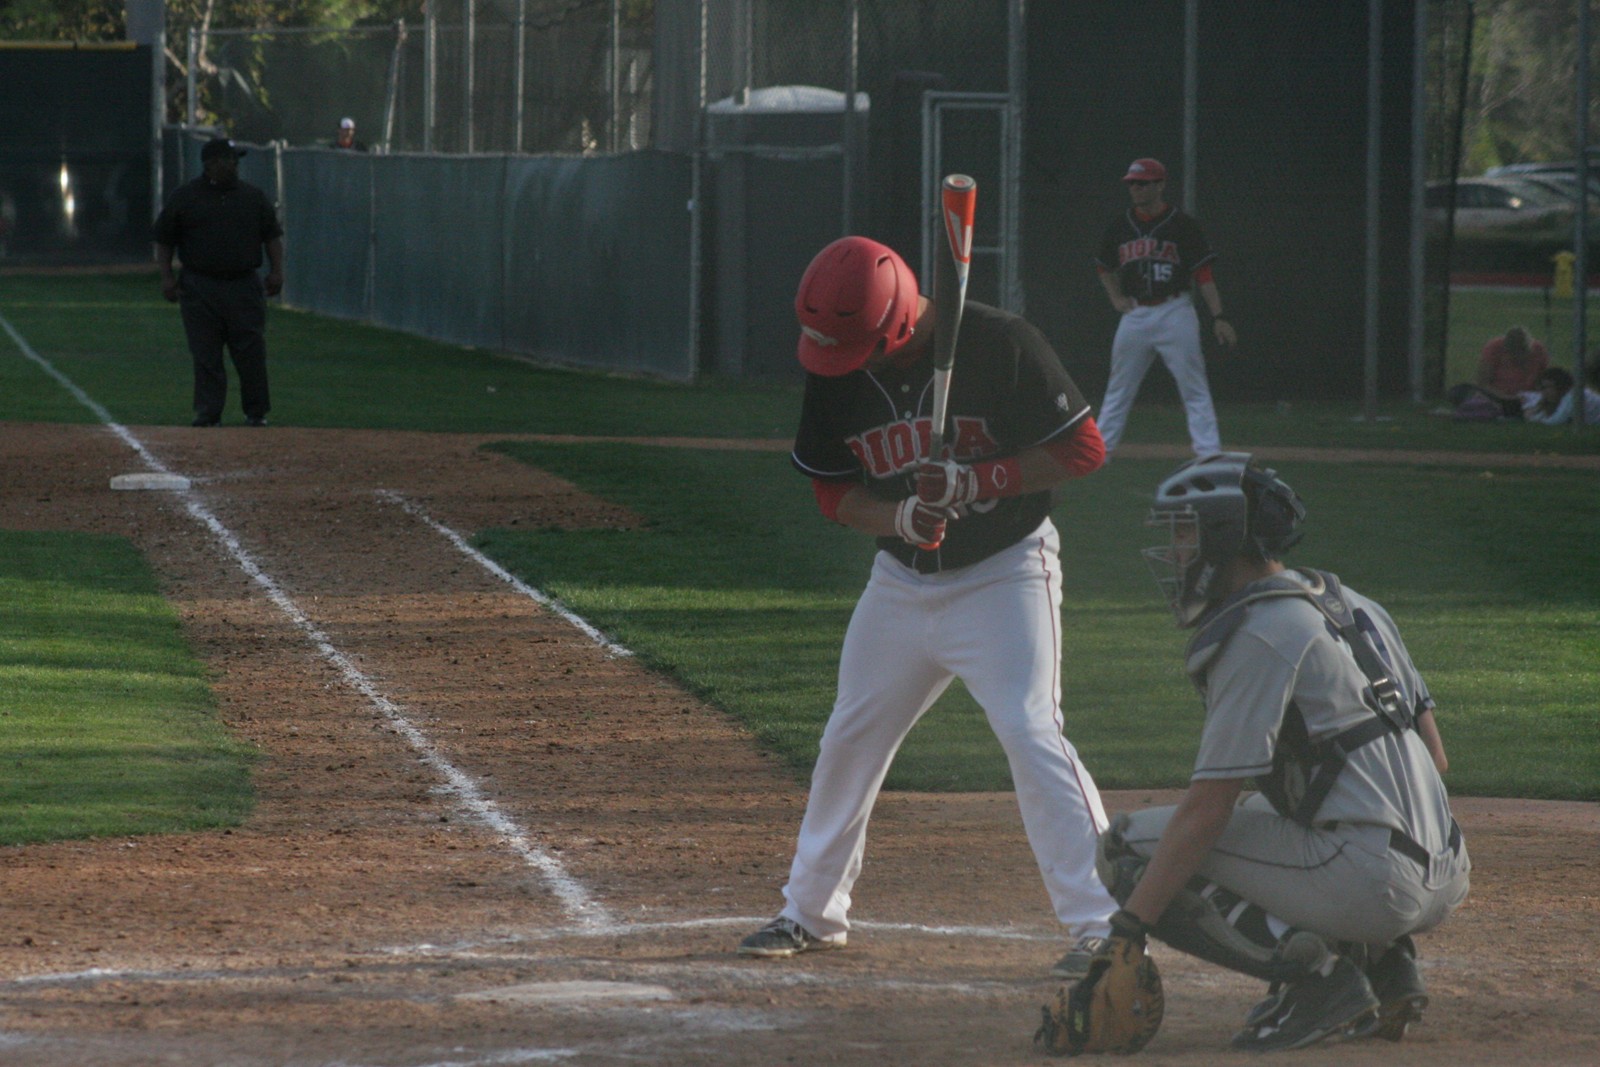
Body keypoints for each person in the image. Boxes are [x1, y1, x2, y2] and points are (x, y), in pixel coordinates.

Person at [738, 235, 1120, 978]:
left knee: (1029, 727)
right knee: (851, 733)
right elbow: (832, 493)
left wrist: (983, 480)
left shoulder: (1002, 343)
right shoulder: (838, 360)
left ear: (898, 326)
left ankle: (1107, 924)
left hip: (1005, 573)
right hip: (901, 583)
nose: (838, 360)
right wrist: (901, 520)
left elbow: (1083, 449)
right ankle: (811, 911)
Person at [1089, 452, 1469, 1052]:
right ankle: (1386, 967)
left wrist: (1128, 926)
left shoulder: (1258, 633)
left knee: (1125, 849)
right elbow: (1435, 760)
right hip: (1446, 868)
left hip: (1372, 881)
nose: (1176, 551)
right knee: (1287, 814)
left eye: (1185, 532)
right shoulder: (1358, 605)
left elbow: (1207, 810)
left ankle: (1321, 983)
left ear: (1223, 537)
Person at [1094, 158, 1236, 457]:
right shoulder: (1121, 225)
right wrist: (1115, 299)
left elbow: (1204, 275)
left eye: (1142, 182)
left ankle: (1209, 454)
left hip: (1175, 311)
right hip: (1135, 313)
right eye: (1132, 183)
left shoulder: (1182, 225)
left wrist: (1218, 316)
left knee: (1193, 387)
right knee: (1118, 389)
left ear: (1160, 185)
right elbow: (1104, 267)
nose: (1135, 188)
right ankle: (1099, 454)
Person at [154, 137, 284, 427]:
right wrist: (166, 276)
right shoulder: (186, 197)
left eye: (235, 159)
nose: (235, 164)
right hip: (200, 285)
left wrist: (277, 271)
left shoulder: (252, 197)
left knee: (250, 349)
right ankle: (208, 411)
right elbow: (164, 240)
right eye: (229, 159)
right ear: (210, 164)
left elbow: (272, 236)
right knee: (205, 351)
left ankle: (256, 411)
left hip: (243, 283)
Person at [1446, 325, 1550, 418]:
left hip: (1527, 400)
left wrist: (1534, 397)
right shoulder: (1494, 348)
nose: (1519, 358)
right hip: (1496, 397)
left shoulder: (1539, 351)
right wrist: (1508, 398)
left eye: (1523, 353)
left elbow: (1544, 382)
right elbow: (1483, 383)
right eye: (1514, 354)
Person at [1519, 363, 1600, 425]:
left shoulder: (1572, 397)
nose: (1544, 392)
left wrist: (1530, 418)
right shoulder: (1567, 395)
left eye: (1548, 387)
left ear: (1560, 386)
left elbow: (1555, 421)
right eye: (1542, 388)